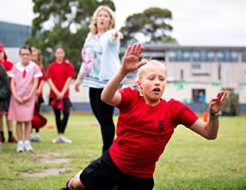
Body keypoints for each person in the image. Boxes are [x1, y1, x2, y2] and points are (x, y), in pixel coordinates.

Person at [63, 44, 227, 190]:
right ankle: (72, 182)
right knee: (78, 185)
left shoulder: (174, 109)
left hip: (141, 179)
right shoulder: (130, 97)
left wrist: (214, 115)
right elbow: (106, 97)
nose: (157, 82)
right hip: (112, 165)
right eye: (151, 78)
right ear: (139, 83)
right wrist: (123, 71)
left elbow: (209, 134)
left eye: (161, 79)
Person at [74, 5, 123, 153]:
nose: (102, 18)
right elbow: (86, 59)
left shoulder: (109, 35)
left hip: (106, 82)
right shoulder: (90, 36)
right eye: (100, 15)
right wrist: (78, 78)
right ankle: (110, 150)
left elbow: (113, 38)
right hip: (91, 81)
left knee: (106, 118)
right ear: (96, 19)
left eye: (106, 16)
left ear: (110, 21)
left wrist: (116, 35)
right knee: (101, 119)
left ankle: (107, 153)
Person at [8, 45, 42, 152]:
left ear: (30, 55)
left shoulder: (34, 67)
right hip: (17, 97)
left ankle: (27, 142)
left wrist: (29, 96)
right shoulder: (15, 67)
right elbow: (12, 82)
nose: (25, 56)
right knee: (19, 121)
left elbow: (35, 82)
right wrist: (16, 95)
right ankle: (20, 143)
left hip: (29, 97)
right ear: (20, 55)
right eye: (23, 54)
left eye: (27, 54)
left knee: (27, 120)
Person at [46, 45, 74, 144]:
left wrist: (62, 92)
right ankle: (59, 135)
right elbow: (49, 80)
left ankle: (62, 134)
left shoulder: (68, 66)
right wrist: (57, 92)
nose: (59, 55)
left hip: (65, 95)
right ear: (55, 54)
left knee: (66, 113)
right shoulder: (51, 66)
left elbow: (69, 79)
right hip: (54, 95)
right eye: (58, 53)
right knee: (57, 115)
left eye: (61, 52)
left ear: (64, 54)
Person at [0, 44, 16, 143]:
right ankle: (1, 134)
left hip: (8, 92)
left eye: (0, 52)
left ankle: (10, 134)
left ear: (4, 53)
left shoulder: (9, 64)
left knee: (9, 114)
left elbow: (13, 77)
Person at [30, 47, 46, 142]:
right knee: (29, 114)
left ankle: (37, 133)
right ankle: (30, 133)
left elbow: (42, 79)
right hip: (30, 94)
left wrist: (39, 89)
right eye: (32, 55)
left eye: (35, 55)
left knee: (37, 114)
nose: (33, 57)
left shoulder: (40, 67)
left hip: (38, 94)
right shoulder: (29, 67)